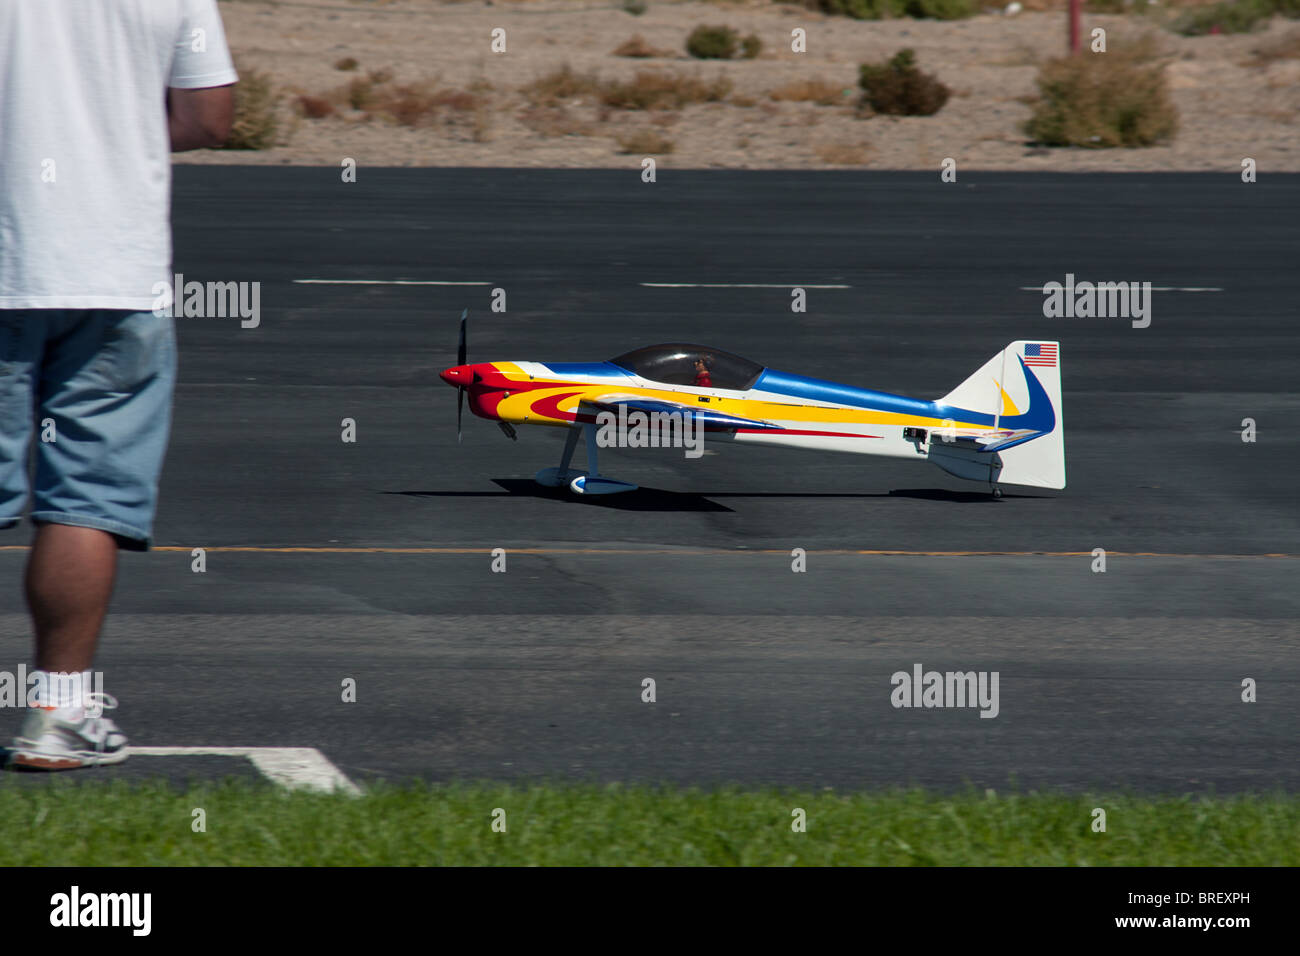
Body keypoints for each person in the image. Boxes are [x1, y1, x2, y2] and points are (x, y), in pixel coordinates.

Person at [1, 0, 238, 769]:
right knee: (85, 502)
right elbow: (208, 117)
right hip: (114, 270)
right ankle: (59, 714)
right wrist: (108, 139)